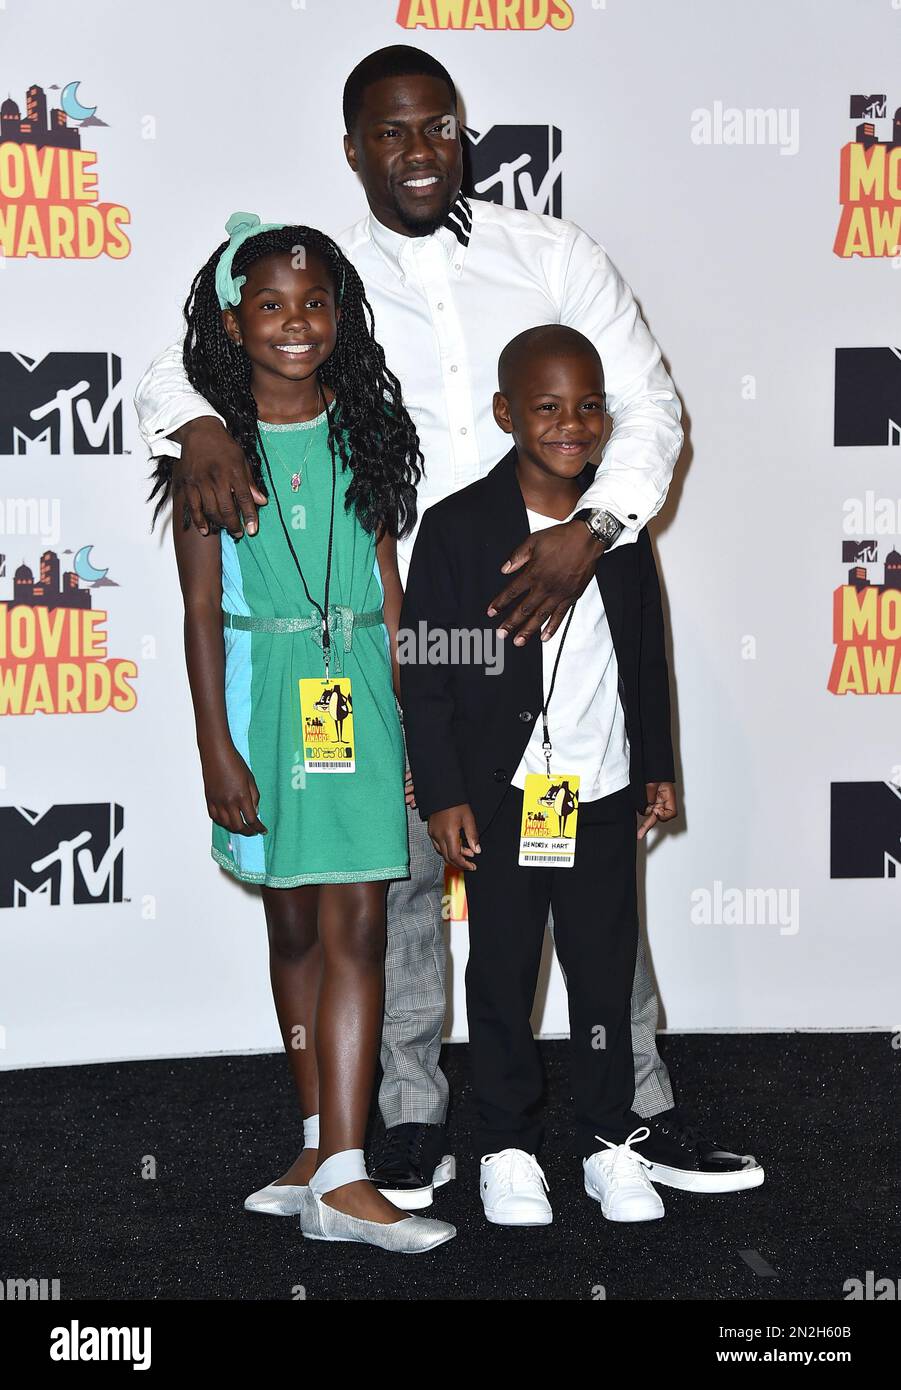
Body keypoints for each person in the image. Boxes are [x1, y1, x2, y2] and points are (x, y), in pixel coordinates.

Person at [135, 46, 762, 1202]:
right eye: (389, 133)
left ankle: (633, 1108)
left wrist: (599, 529)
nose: (417, 152)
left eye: (436, 129)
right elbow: (196, 352)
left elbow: (651, 402)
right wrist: (193, 427)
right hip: (418, 618)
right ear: (352, 148)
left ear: (462, 133)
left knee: (589, 866)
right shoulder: (334, 285)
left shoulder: (551, 252)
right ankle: (414, 1120)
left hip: (564, 602)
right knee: (414, 858)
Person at [149, 210, 454, 1253]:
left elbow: (384, 583)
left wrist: (418, 728)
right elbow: (197, 614)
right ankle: (318, 1140)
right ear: (233, 323)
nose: (295, 323)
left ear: (340, 313)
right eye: (269, 306)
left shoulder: (364, 425)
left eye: (313, 303)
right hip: (265, 699)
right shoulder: (209, 455)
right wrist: (214, 749)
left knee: (357, 925)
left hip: (359, 689)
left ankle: (349, 1173)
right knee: (292, 931)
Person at [399, 325, 685, 1223]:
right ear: (503, 414)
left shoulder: (619, 525)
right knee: (502, 972)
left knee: (602, 970)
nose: (572, 424)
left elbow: (644, 651)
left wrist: (657, 763)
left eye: (590, 405)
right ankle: (506, 1144)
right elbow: (425, 667)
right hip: (503, 794)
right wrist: (443, 789)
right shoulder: (455, 528)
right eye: (548, 406)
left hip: (597, 789)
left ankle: (610, 1141)